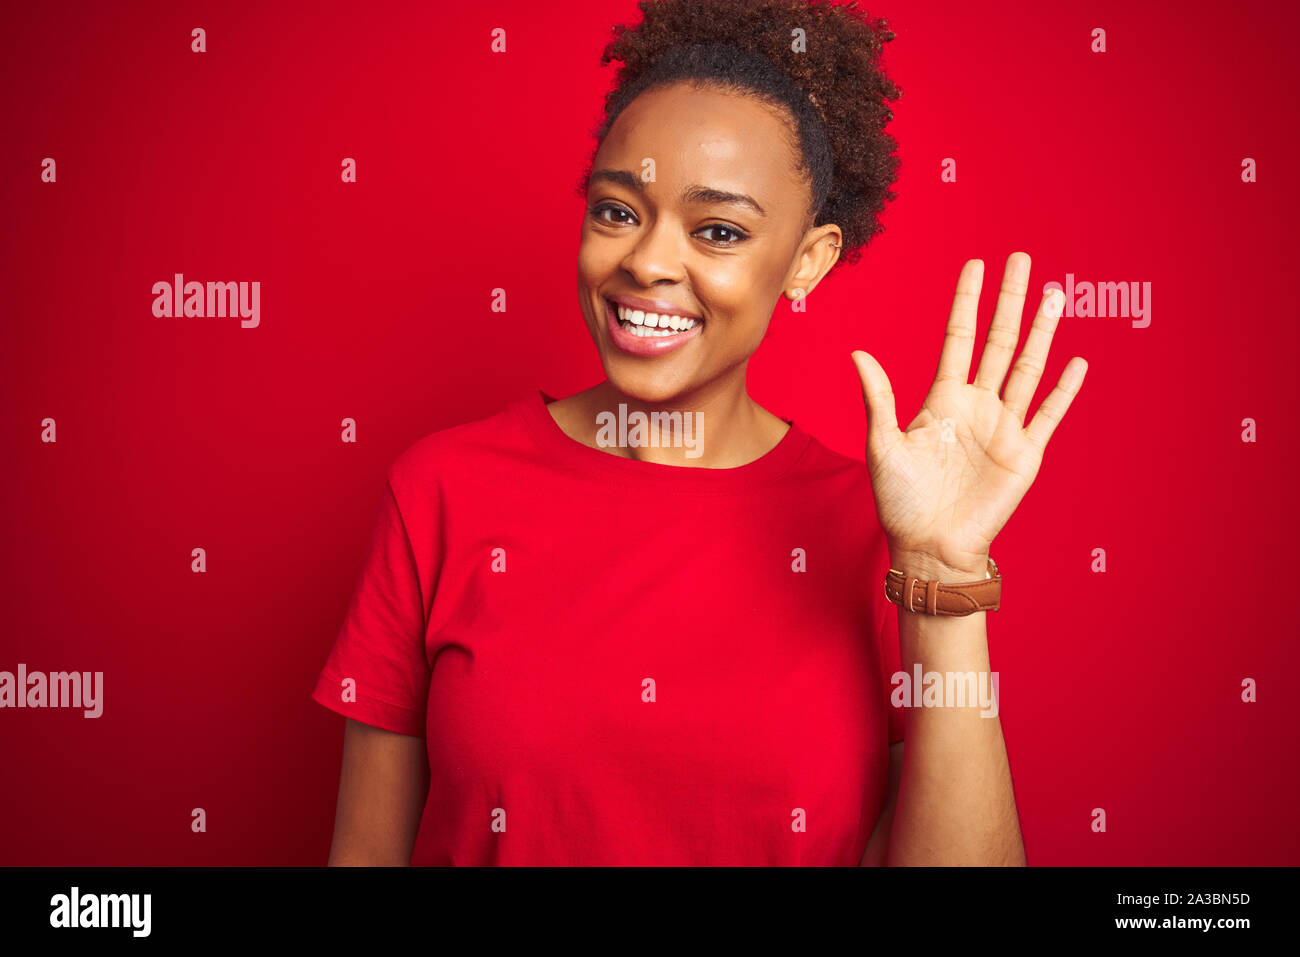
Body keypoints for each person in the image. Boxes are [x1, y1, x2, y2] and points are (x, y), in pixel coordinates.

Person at [312, 0, 1086, 866]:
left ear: (807, 260)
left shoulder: (878, 535)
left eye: (718, 230)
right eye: (616, 210)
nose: (645, 261)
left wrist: (944, 574)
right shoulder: (441, 490)